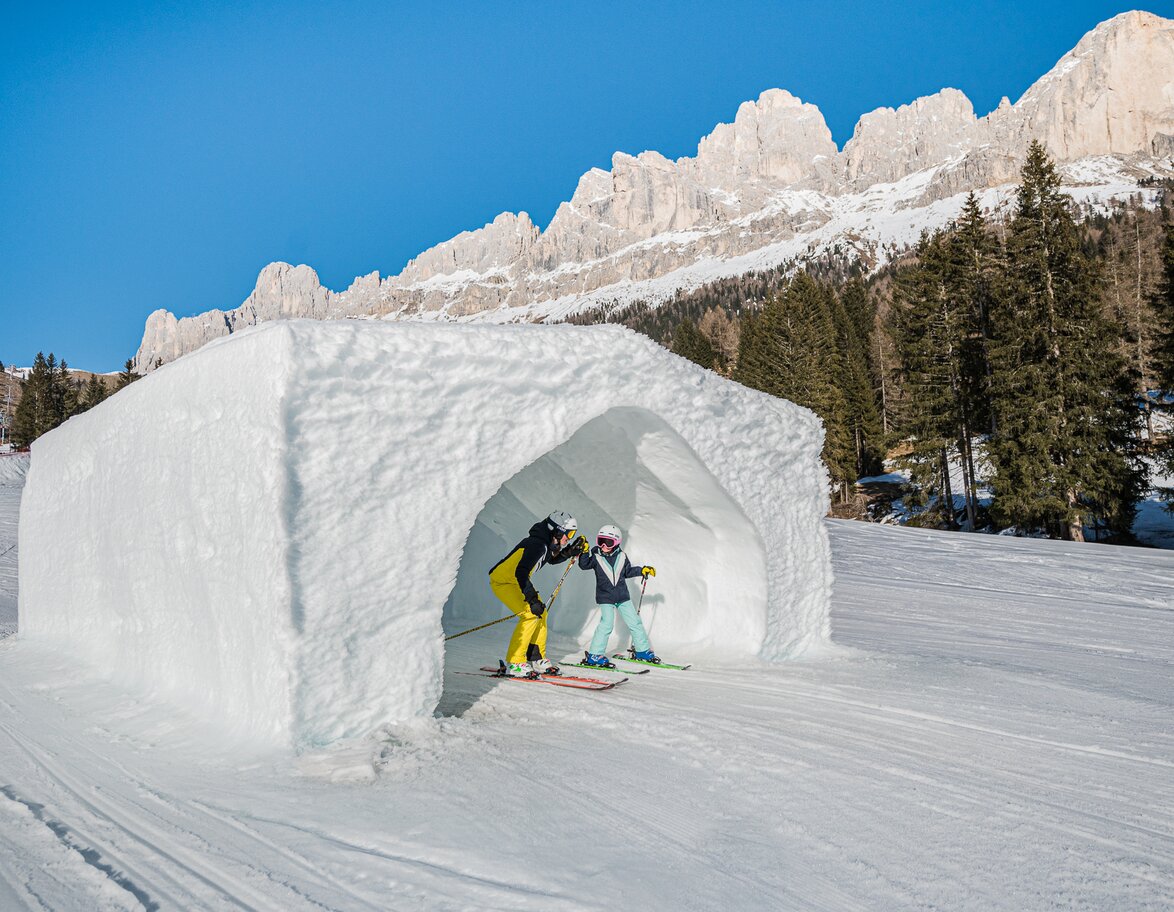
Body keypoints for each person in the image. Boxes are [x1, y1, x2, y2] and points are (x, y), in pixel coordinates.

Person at [488, 510, 589, 677]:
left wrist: (570, 551)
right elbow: (521, 572)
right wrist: (532, 599)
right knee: (530, 615)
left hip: (515, 581)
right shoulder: (537, 544)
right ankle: (515, 662)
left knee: (541, 613)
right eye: (569, 534)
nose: (569, 538)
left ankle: (537, 659)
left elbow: (551, 558)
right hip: (503, 582)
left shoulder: (545, 543)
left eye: (572, 534)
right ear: (557, 531)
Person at [577, 524, 658, 667]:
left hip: (622, 596)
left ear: (616, 542)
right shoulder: (596, 556)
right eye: (601, 541)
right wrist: (584, 552)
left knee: (635, 622)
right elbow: (584, 565)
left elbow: (627, 571)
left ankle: (642, 651)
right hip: (605, 597)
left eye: (608, 542)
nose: (603, 545)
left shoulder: (622, 556)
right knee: (606, 624)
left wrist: (642, 570)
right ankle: (594, 655)